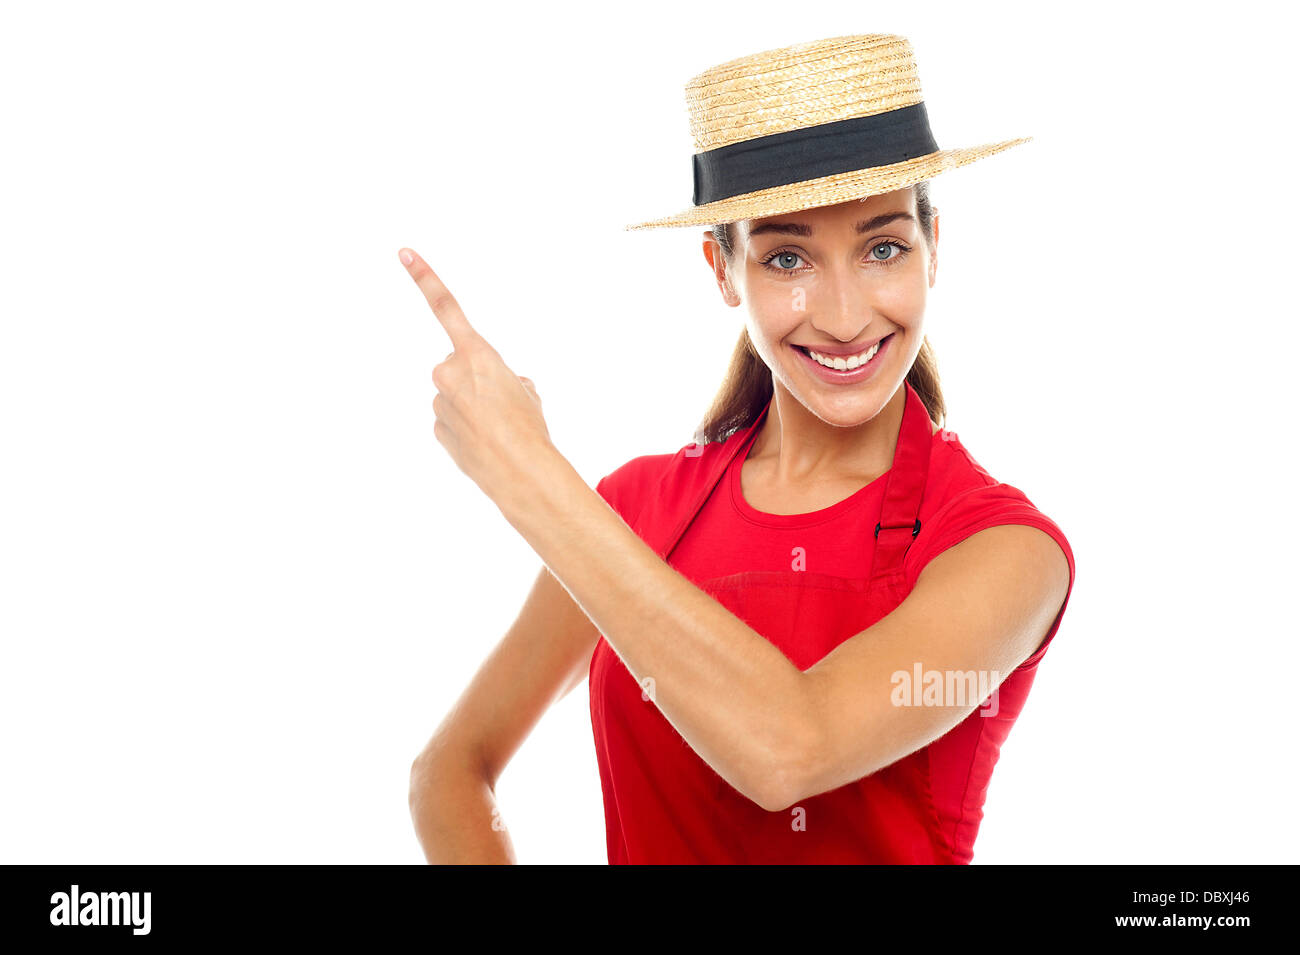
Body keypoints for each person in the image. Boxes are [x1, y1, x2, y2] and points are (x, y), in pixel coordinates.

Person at [405, 33, 1075, 864]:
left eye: (883, 247)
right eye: (787, 256)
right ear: (723, 270)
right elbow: (449, 772)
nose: (840, 314)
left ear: (935, 247)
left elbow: (789, 748)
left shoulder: (1003, 549)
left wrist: (529, 478)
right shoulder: (636, 510)